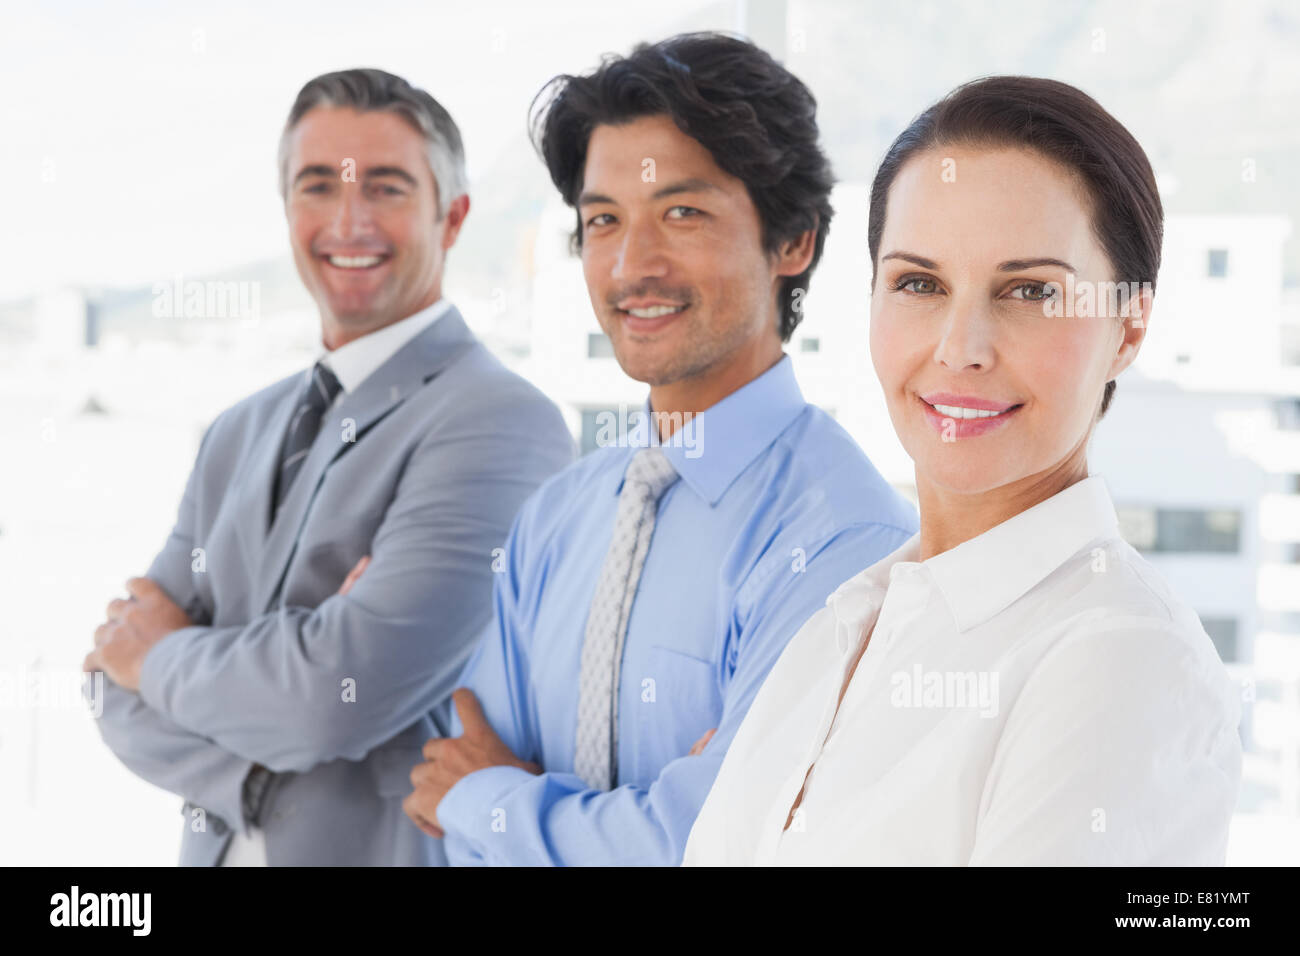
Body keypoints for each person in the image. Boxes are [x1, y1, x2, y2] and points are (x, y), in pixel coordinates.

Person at [684, 76, 1243, 866]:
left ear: (1129, 326)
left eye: (1029, 291)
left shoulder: (1124, 661)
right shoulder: (842, 626)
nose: (960, 346)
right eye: (920, 283)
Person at [401, 32, 918, 865]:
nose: (633, 264)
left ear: (794, 242)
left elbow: (707, 850)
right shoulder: (556, 521)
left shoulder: (847, 543)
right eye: (604, 221)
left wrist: (496, 798)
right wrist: (547, 816)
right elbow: (449, 816)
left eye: (683, 212)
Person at [84, 68, 573, 866]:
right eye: (318, 186)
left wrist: (163, 659)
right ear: (287, 212)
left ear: (451, 218)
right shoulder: (236, 431)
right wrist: (259, 742)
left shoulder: (501, 423)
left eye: (384, 188)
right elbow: (109, 687)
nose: (348, 221)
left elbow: (327, 699)